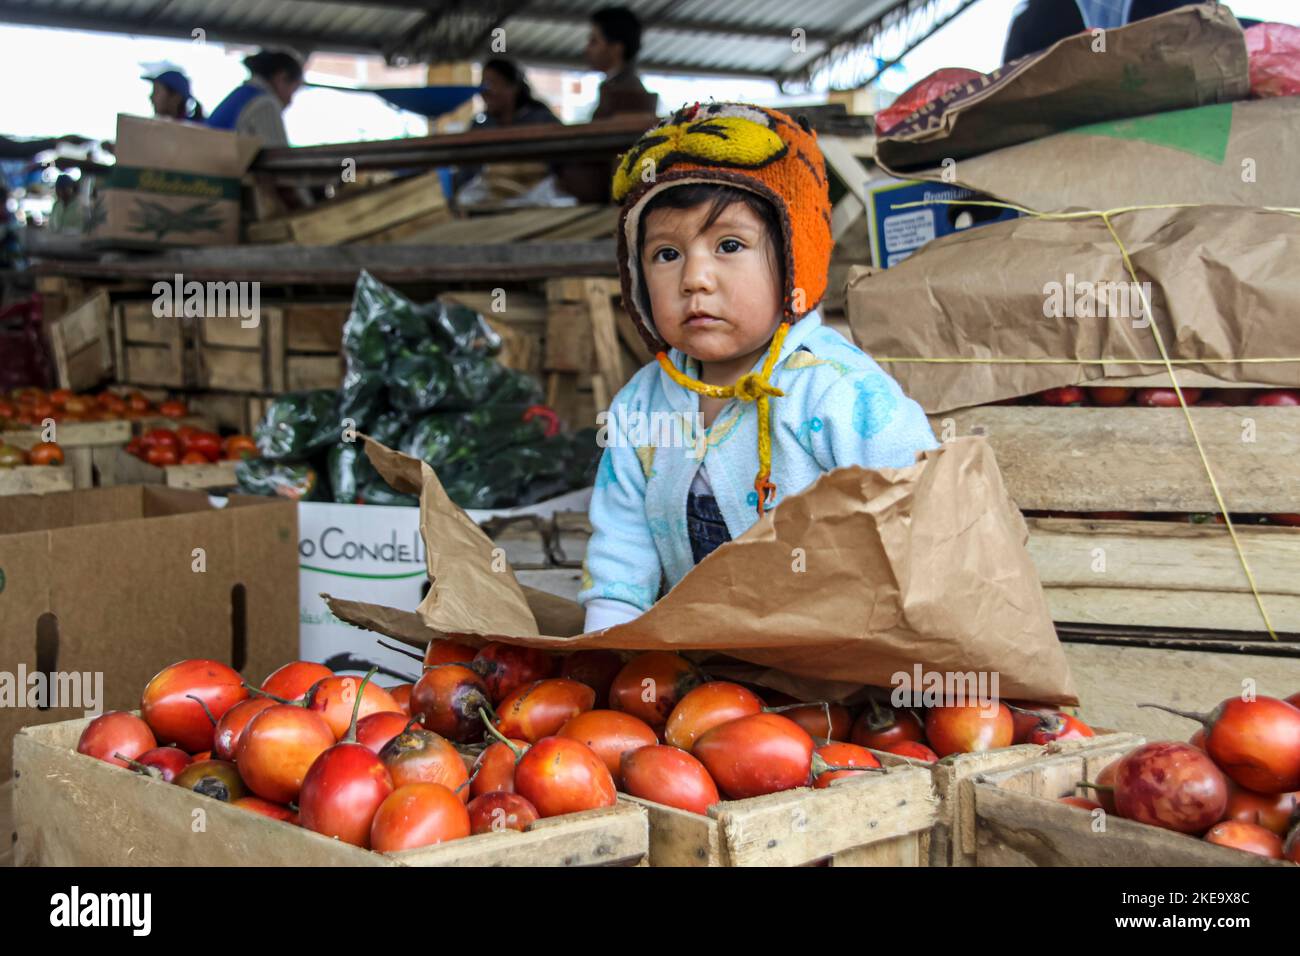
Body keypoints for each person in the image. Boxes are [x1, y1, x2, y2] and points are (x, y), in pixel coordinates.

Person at [578, 103, 938, 631]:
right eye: (665, 254)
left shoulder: (838, 391)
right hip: (704, 662)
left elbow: (921, 511)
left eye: (729, 245)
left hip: (833, 654)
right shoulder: (640, 405)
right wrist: (606, 647)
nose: (694, 279)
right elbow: (622, 540)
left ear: (798, 256)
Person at [451, 59, 561, 201]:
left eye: (491, 83)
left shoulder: (542, 122)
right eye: (482, 84)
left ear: (513, 87)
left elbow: (561, 171)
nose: (484, 91)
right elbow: (465, 173)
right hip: (486, 206)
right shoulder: (480, 126)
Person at [207, 50, 303, 146]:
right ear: (281, 78)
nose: (290, 101)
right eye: (293, 91)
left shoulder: (243, 94)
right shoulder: (266, 104)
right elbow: (280, 155)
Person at [586, 6, 658, 119]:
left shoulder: (627, 94)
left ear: (616, 48)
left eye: (594, 41)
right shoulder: (616, 86)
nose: (587, 48)